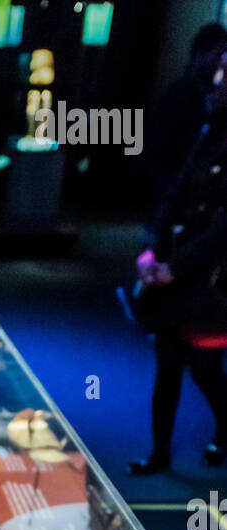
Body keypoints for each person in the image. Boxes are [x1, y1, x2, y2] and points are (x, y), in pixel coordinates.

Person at [128, 49, 227, 476]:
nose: (219, 77)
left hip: (211, 281)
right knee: (168, 364)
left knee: (205, 368)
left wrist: (177, 266)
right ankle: (160, 454)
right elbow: (177, 192)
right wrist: (153, 251)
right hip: (177, 269)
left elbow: (223, 230)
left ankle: (223, 433)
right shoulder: (210, 129)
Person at [146, 23, 227, 210]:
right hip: (174, 192)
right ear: (201, 53)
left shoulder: (199, 94)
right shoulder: (183, 96)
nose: (219, 64)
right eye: (217, 55)